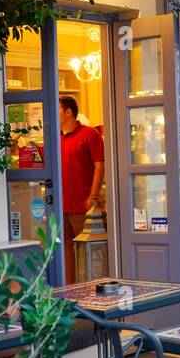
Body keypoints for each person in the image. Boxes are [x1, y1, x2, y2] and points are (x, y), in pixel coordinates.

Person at [59, 95, 105, 281]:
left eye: (58, 109)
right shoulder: (56, 138)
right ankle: (69, 291)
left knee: (90, 252)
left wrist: (93, 196)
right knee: (65, 250)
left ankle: (93, 289)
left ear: (68, 112)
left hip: (84, 205)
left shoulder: (89, 134)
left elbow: (100, 165)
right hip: (61, 205)